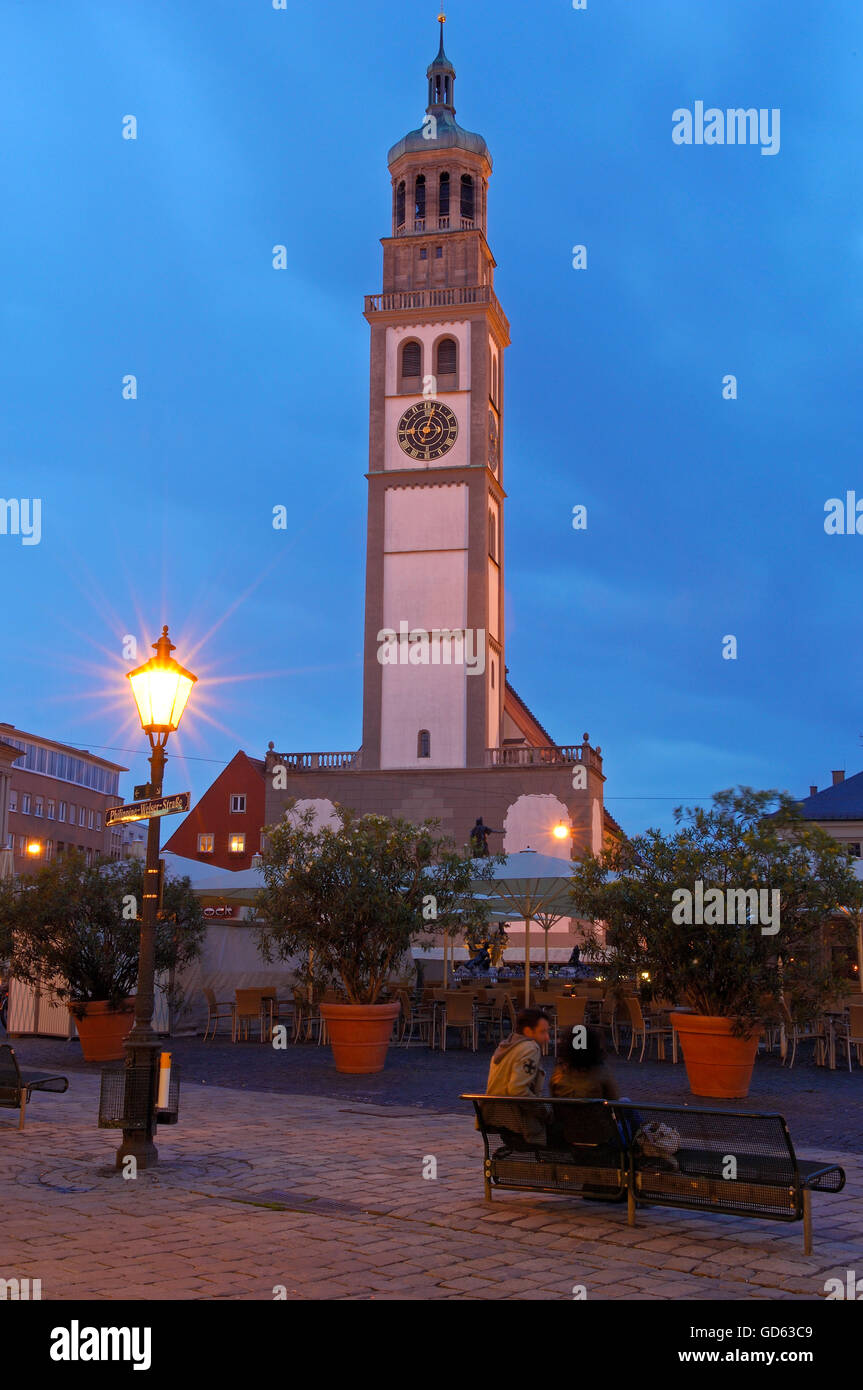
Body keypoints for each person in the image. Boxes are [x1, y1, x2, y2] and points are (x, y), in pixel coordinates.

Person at [481, 1008, 552, 1148]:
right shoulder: (530, 1048)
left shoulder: (505, 1046)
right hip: (517, 1121)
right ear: (527, 1031)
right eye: (543, 1032)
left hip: (495, 1117)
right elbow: (517, 1090)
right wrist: (544, 1111)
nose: (547, 1037)